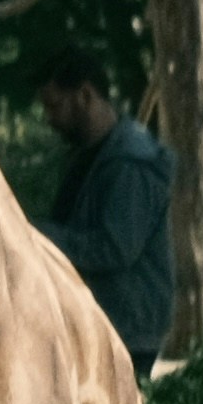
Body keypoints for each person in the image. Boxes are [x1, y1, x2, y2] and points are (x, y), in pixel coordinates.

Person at [30, 44, 180, 364]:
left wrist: (41, 238)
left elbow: (115, 248)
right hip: (93, 326)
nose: (49, 119)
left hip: (124, 334)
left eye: (54, 106)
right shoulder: (86, 157)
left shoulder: (131, 162)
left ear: (85, 95)